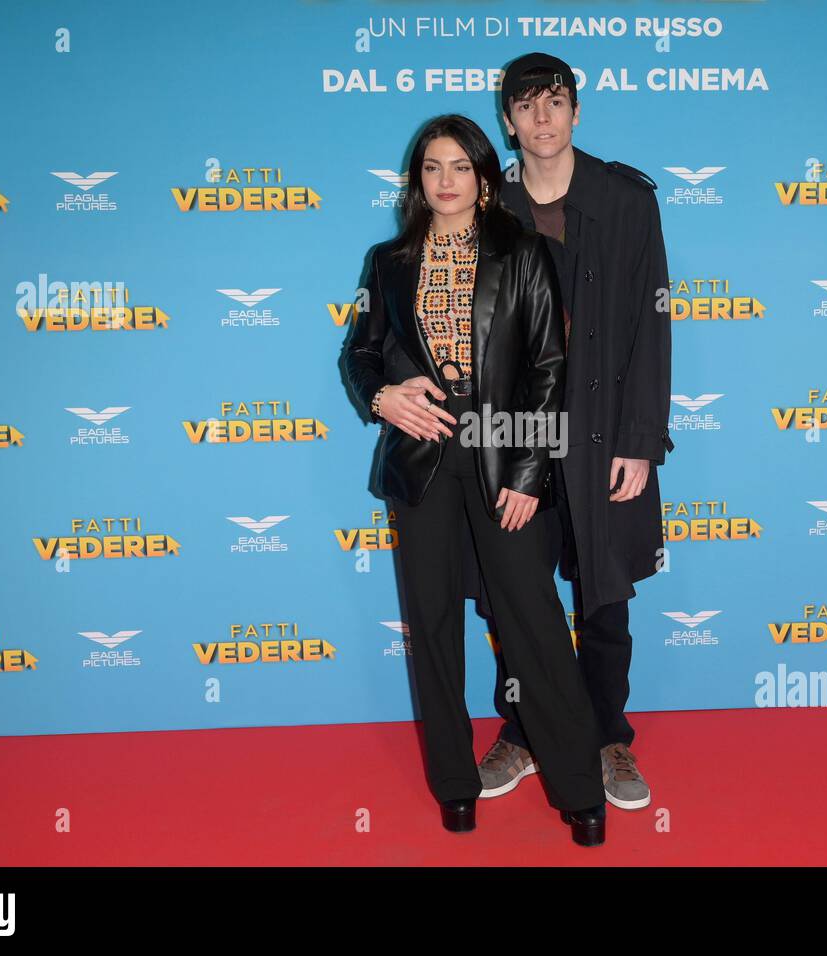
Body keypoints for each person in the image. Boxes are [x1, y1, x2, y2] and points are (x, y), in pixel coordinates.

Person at [340, 113, 609, 846]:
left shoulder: (523, 252)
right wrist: (381, 397)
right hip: (421, 458)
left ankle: (581, 790)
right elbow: (358, 355)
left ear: (486, 177)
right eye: (432, 167)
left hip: (501, 450)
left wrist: (527, 472)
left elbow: (548, 373)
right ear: (417, 179)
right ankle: (455, 787)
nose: (446, 181)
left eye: (460, 166)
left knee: (535, 623)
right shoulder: (388, 261)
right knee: (431, 625)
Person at [470, 53, 675, 811]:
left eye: (555, 102)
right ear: (508, 121)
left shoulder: (626, 201)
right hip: (513, 441)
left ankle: (607, 736)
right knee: (515, 596)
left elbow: (652, 331)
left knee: (604, 598)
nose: (543, 118)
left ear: (577, 112)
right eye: (526, 106)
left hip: (605, 439)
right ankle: (524, 733)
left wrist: (640, 440)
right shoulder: (485, 209)